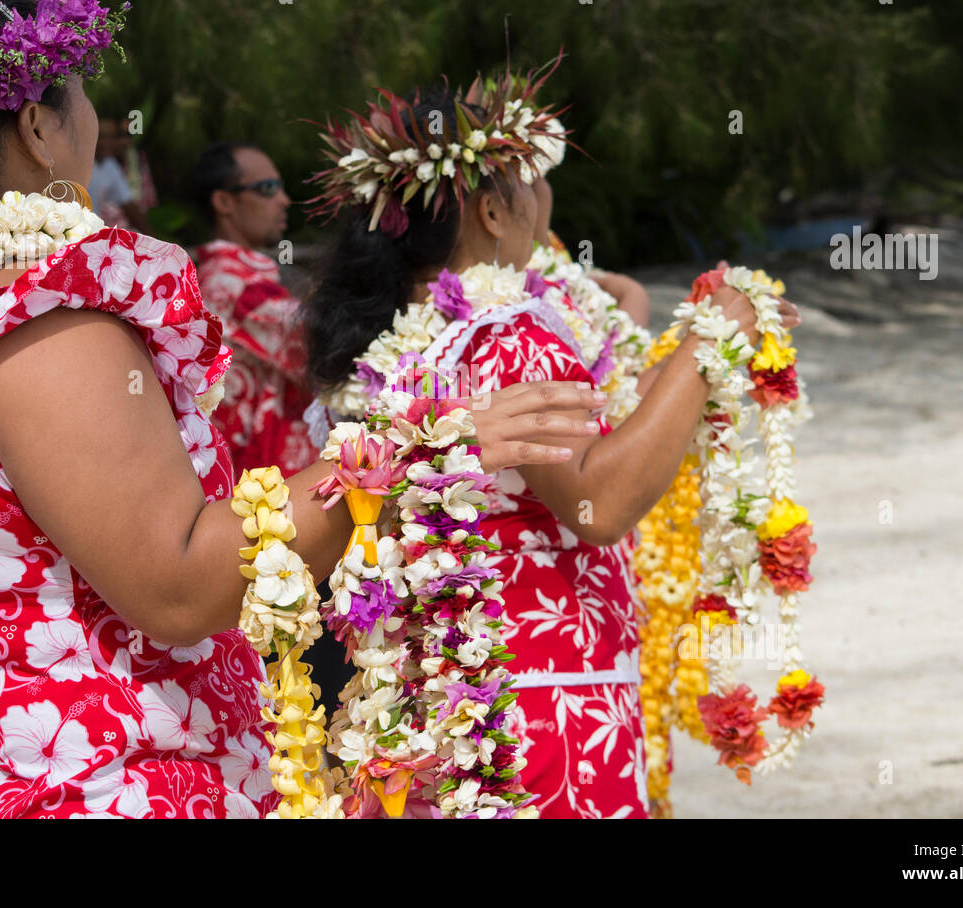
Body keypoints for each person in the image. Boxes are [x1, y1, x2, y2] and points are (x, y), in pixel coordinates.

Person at [0, 0, 603, 818]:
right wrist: (421, 453)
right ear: (36, 125)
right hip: (86, 789)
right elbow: (179, 581)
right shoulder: (37, 323)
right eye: (83, 96)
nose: (97, 125)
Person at [302, 70, 801, 818]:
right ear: (494, 210)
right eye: (530, 183)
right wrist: (712, 338)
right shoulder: (509, 332)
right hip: (536, 700)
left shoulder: (400, 340)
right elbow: (598, 501)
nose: (545, 200)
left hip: (432, 702)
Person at [189, 142, 314, 475]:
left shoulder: (225, 276)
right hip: (259, 485)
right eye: (268, 189)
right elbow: (326, 343)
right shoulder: (233, 285)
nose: (284, 200)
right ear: (224, 202)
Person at [89, 115, 153, 232]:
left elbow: (129, 206)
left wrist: (152, 240)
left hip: (92, 231)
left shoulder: (110, 164)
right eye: (101, 136)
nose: (106, 142)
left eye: (111, 137)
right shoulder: (82, 161)